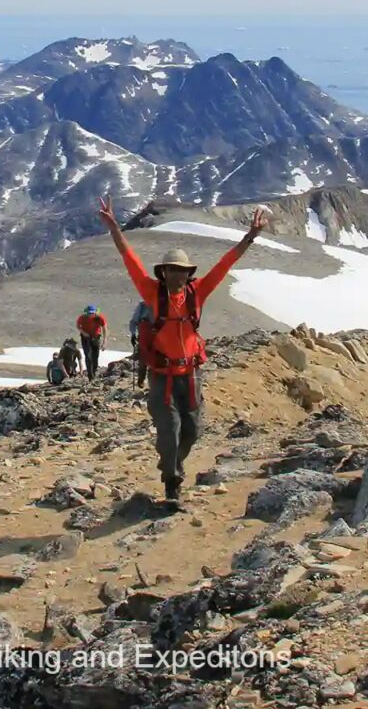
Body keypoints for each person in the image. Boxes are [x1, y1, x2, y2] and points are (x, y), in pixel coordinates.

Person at [99, 195, 268, 504]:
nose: (177, 275)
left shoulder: (198, 292)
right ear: (163, 273)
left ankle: (173, 463)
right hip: (162, 375)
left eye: (181, 271)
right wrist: (114, 228)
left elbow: (225, 263)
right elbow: (129, 259)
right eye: (171, 270)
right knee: (170, 429)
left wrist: (250, 236)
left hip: (190, 374)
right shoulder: (151, 293)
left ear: (189, 274)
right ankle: (172, 481)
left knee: (192, 430)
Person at [75, 304, 108, 380]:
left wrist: (104, 341)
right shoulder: (82, 317)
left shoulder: (100, 318)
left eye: (92, 313)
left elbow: (104, 328)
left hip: (96, 337)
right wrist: (83, 332)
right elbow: (78, 326)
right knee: (88, 355)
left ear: (95, 312)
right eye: (89, 313)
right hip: (85, 338)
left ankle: (94, 370)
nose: (91, 315)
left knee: (95, 356)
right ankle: (90, 376)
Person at [128, 300, 153, 387]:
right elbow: (134, 321)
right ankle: (141, 379)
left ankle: (154, 382)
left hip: (159, 333)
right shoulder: (143, 305)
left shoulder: (165, 302)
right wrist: (133, 334)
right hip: (145, 334)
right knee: (143, 357)